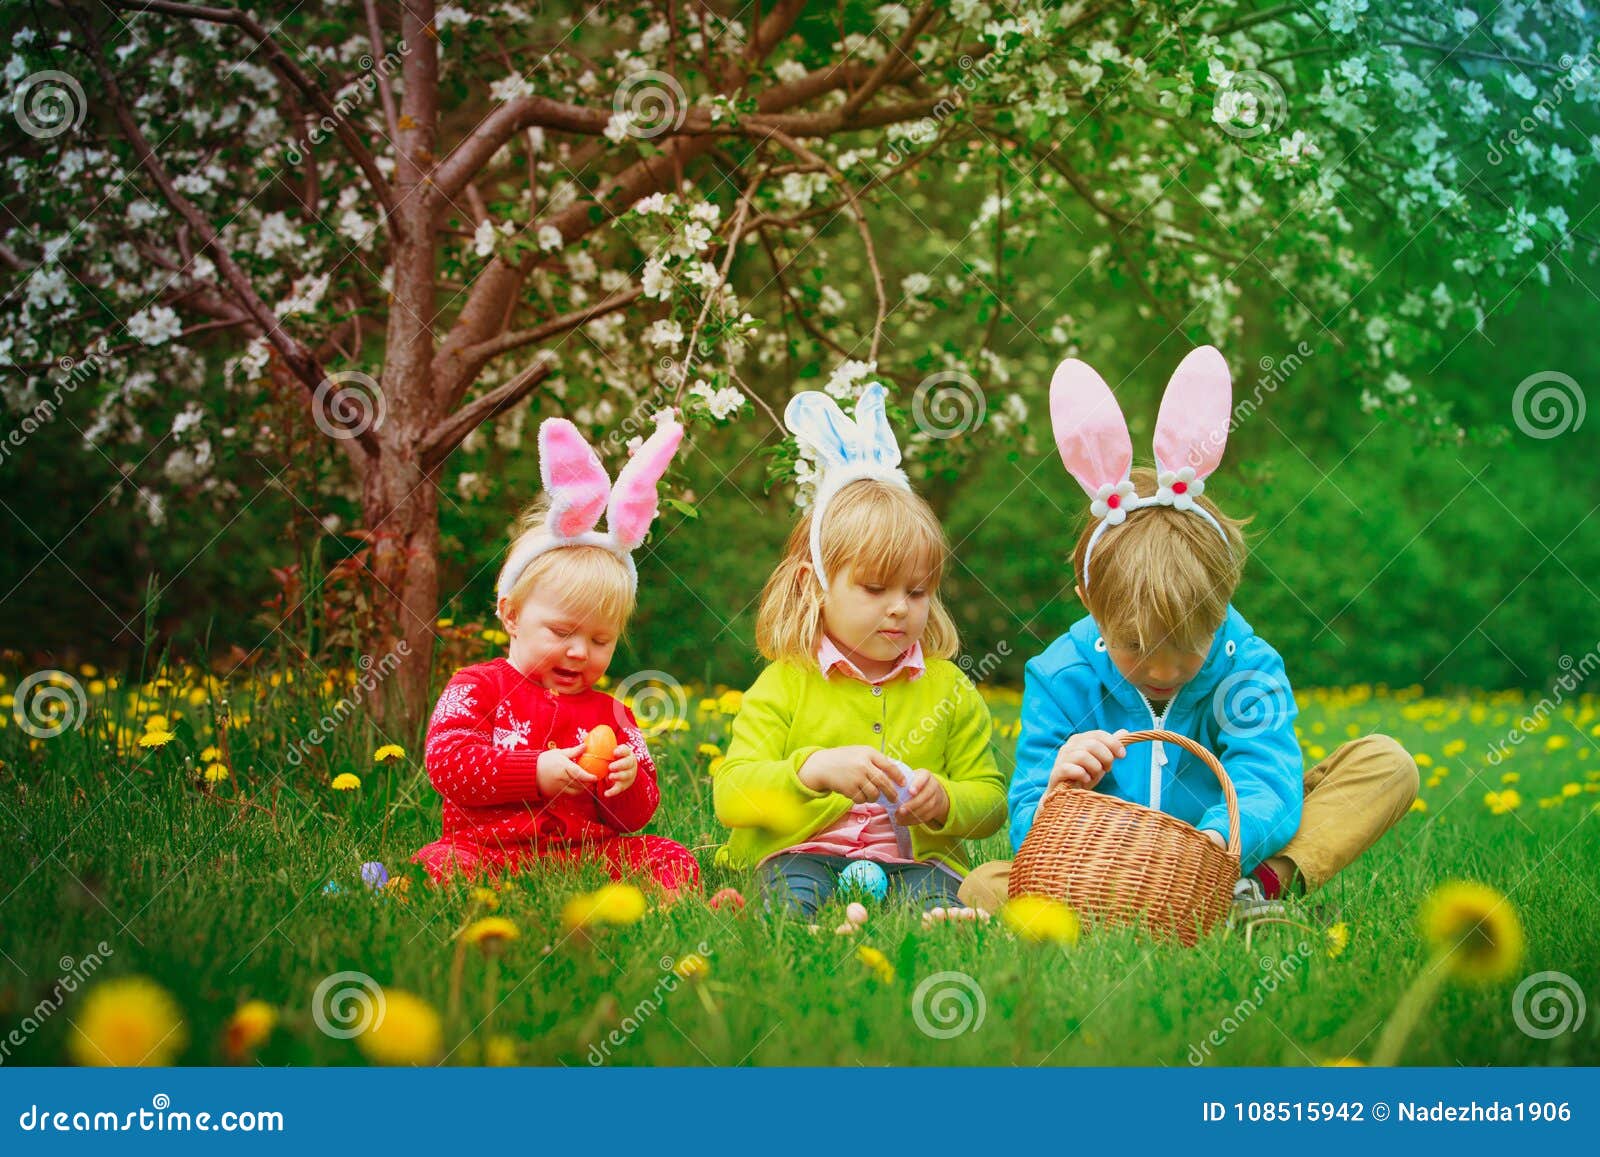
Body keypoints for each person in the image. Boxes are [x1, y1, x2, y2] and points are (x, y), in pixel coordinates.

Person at [959, 347, 1418, 918]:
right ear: (1089, 604)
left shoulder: (1246, 665)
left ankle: (1248, 895)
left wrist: (1209, 846)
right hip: (1103, 867)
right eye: (1135, 647)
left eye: (1187, 647)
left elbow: (1266, 778)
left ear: (1223, 605)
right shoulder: (1061, 675)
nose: (1161, 670)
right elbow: (1029, 818)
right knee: (983, 883)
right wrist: (1059, 792)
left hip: (1228, 859)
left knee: (1386, 764)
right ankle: (1139, 907)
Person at [713, 384, 1007, 917]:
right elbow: (731, 794)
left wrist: (944, 801)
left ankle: (942, 926)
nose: (899, 608)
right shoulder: (786, 681)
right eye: (875, 589)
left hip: (911, 862)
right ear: (815, 584)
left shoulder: (949, 689)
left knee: (939, 898)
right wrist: (811, 770)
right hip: (800, 852)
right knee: (790, 891)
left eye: (917, 592)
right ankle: (797, 930)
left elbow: (990, 801)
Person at [412, 416, 699, 895]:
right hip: (488, 850)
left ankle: (666, 900)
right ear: (511, 615)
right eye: (562, 631)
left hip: (583, 855)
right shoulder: (476, 686)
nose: (579, 651)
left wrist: (626, 783)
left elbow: (637, 815)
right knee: (440, 864)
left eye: (600, 640)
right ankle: (476, 890)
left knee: (669, 855)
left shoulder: (614, 714)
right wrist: (535, 772)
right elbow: (447, 763)